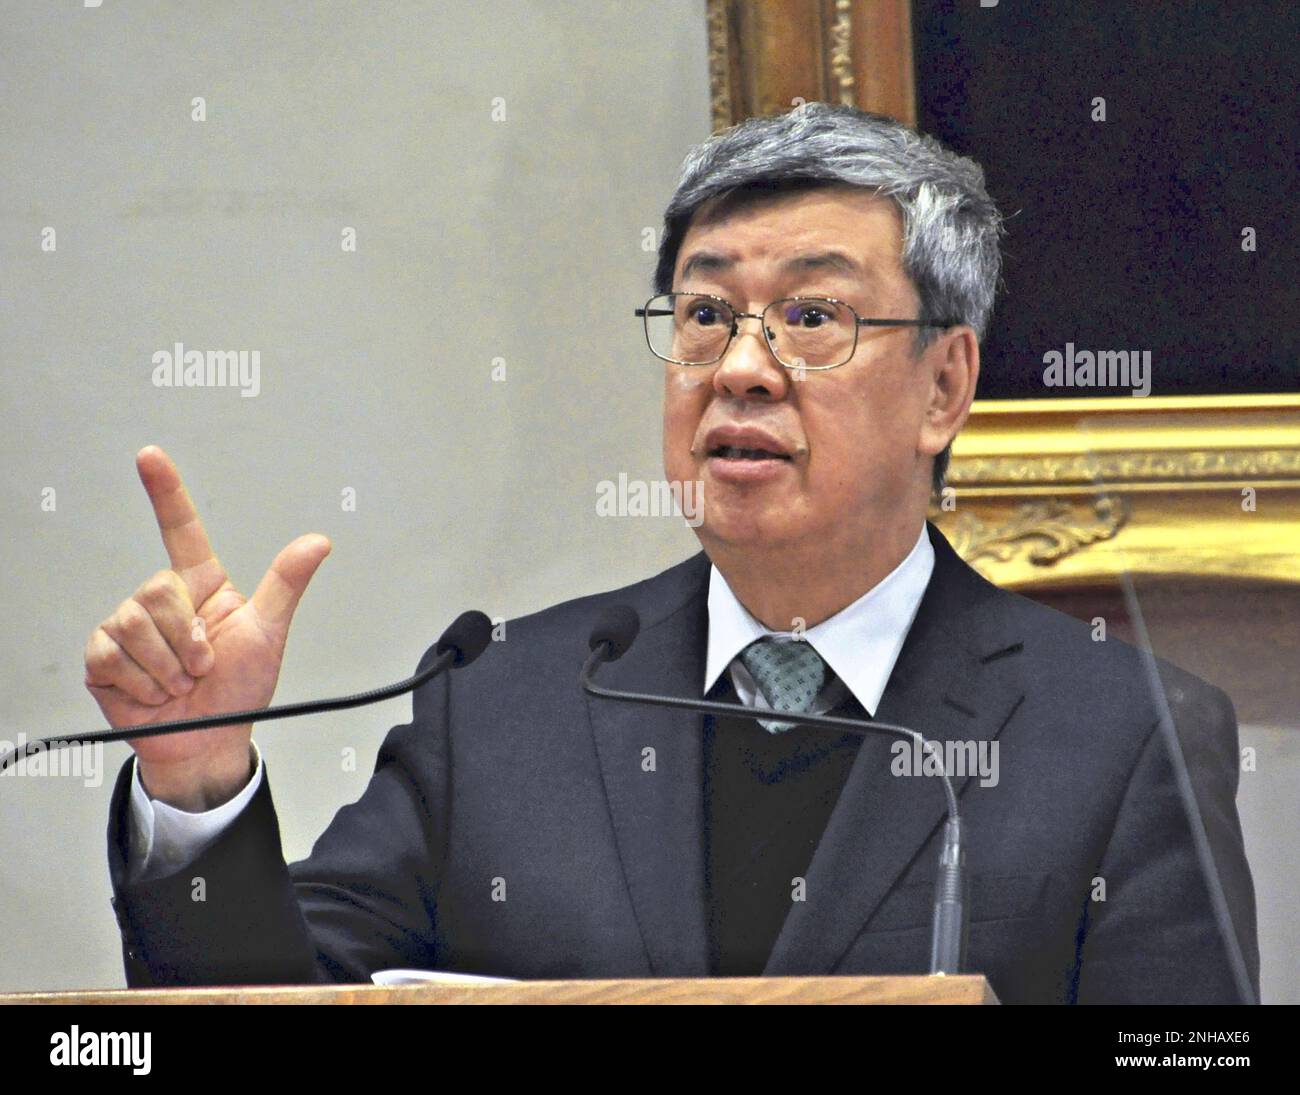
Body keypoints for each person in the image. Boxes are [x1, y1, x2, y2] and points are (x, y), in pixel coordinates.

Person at [90, 104, 1258, 1003]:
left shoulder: (1120, 733)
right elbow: (262, 1018)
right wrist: (195, 783)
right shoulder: (500, 704)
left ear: (943, 386)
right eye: (705, 315)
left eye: (812, 317)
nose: (741, 366)